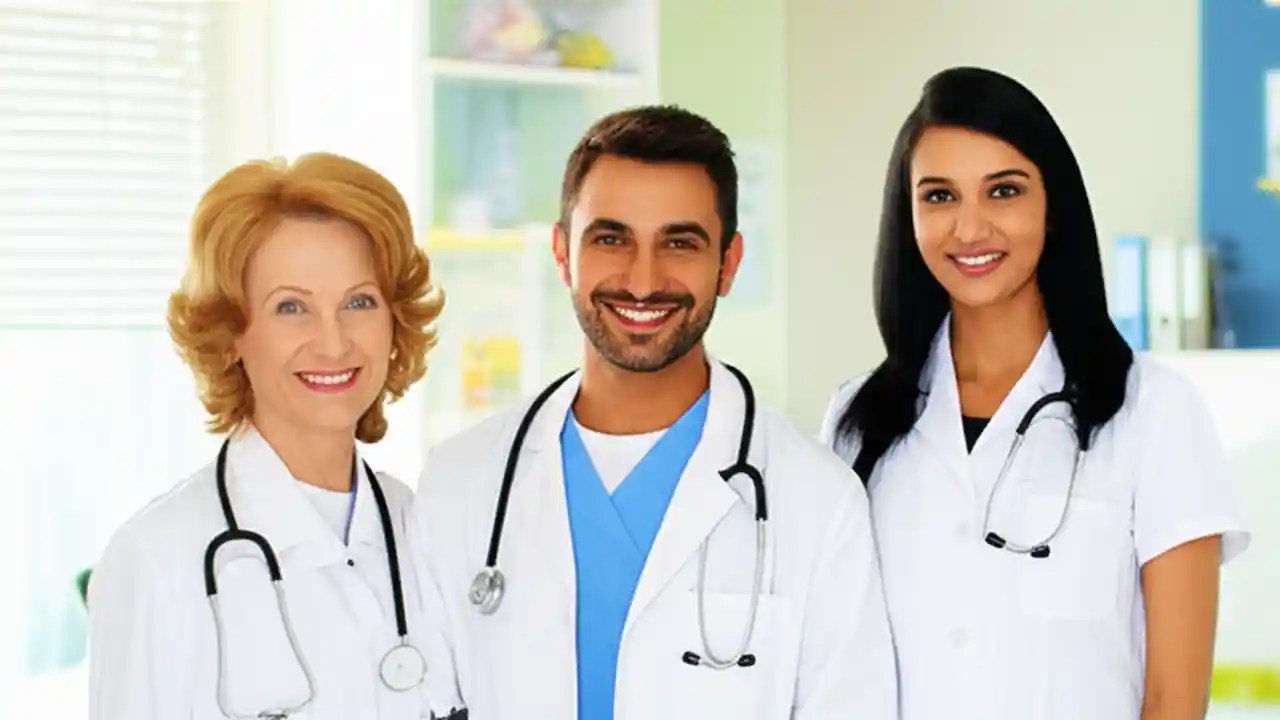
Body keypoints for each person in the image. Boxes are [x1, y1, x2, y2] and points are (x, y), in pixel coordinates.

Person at [407, 105, 898, 719]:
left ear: (729, 263)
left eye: (679, 242)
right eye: (611, 239)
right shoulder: (462, 483)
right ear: (562, 253)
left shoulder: (817, 500)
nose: (643, 281)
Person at [819, 66, 1251, 720]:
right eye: (939, 196)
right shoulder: (857, 423)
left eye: (1003, 191)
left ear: (1054, 206)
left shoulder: (1154, 411)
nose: (969, 229)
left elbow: (1174, 701)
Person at [88, 153, 465, 719]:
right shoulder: (158, 558)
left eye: (359, 302)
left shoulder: (418, 524)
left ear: (395, 322)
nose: (333, 341)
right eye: (291, 307)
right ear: (231, 332)